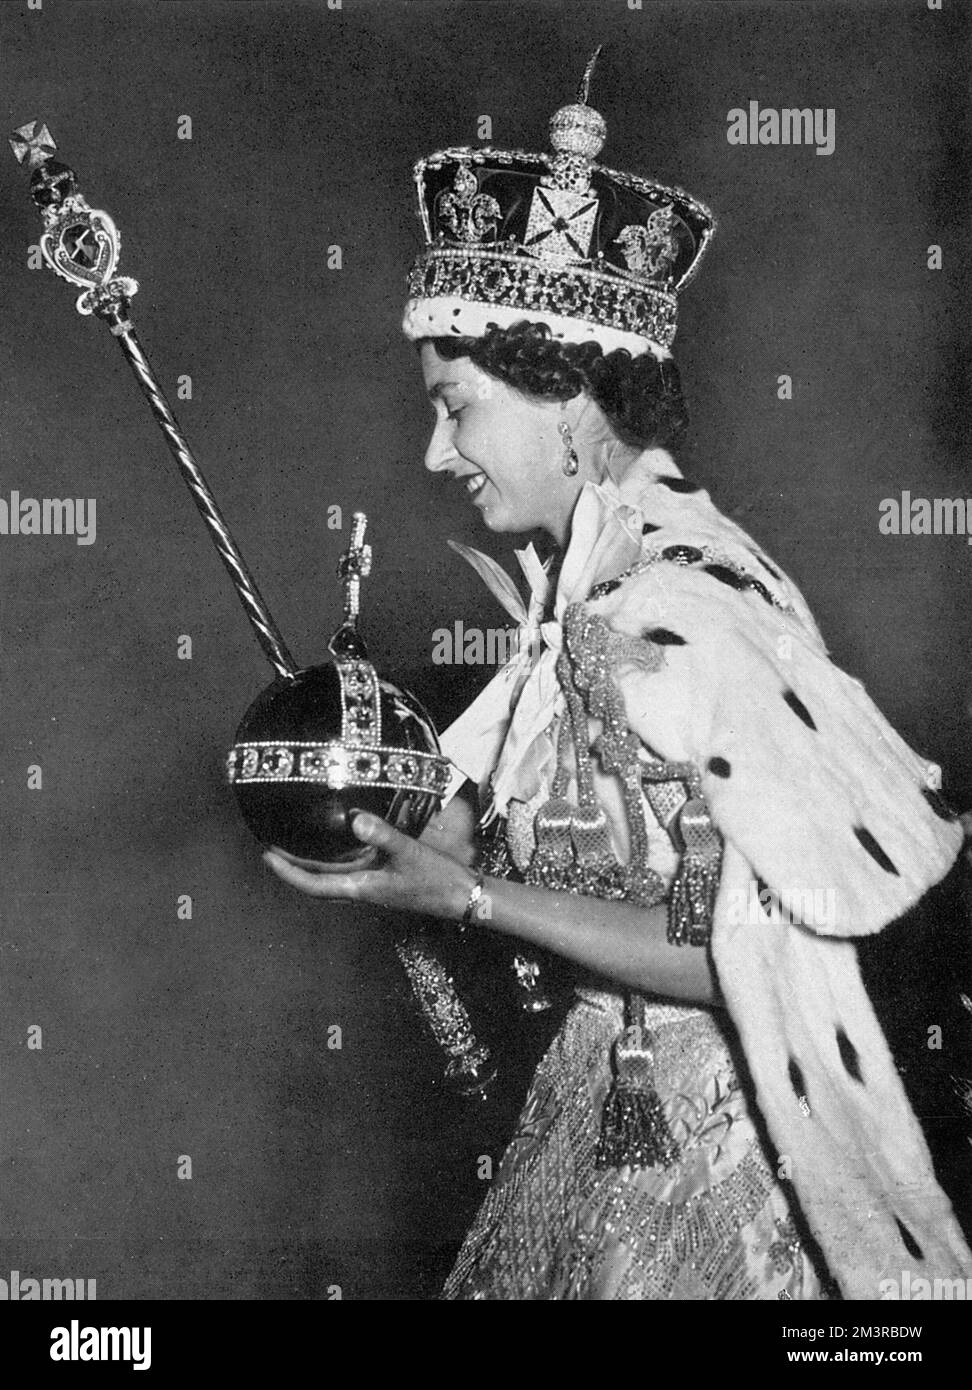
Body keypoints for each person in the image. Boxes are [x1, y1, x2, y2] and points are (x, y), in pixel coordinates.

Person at [265, 59, 972, 1300]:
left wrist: (466, 901)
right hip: (584, 1136)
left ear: (574, 404)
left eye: (458, 407)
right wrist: (354, 788)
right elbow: (488, 840)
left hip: (713, 1171)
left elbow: (735, 953)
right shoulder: (575, 603)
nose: (437, 453)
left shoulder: (686, 605)